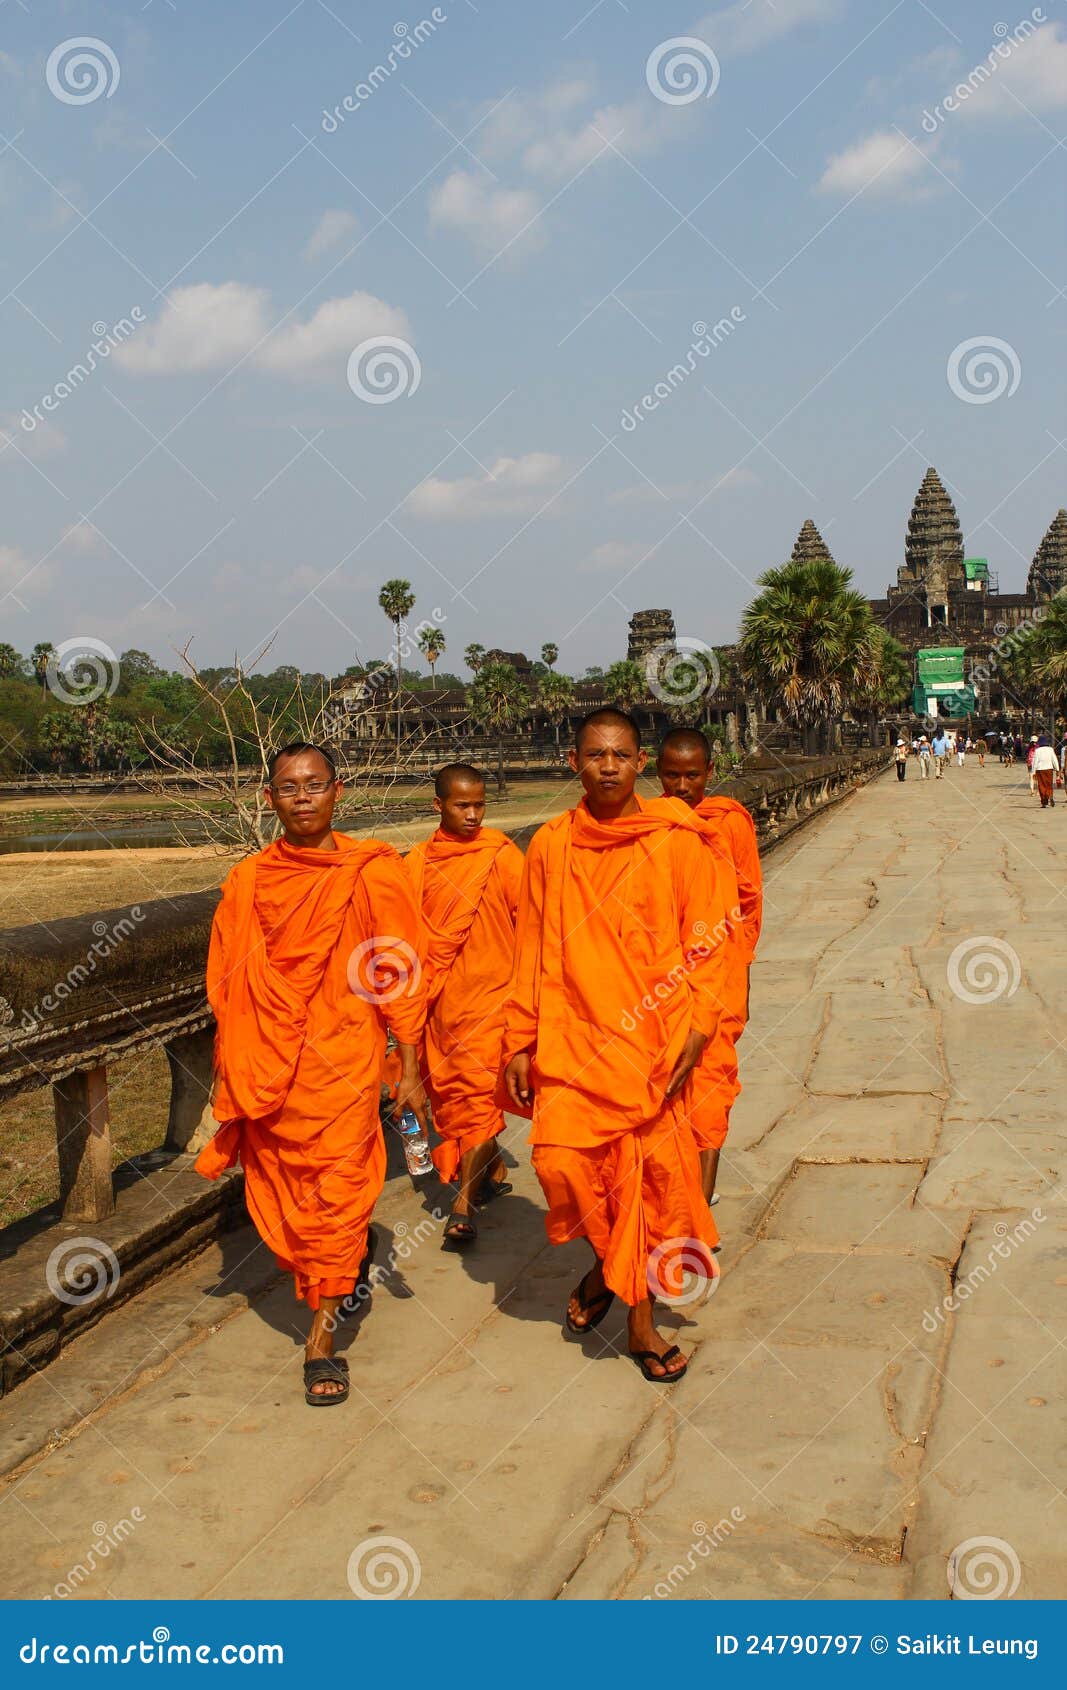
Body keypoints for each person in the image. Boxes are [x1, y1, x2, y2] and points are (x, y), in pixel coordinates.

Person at [503, 708, 731, 1385]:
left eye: (621, 755)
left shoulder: (678, 841)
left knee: (647, 1184)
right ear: (572, 762)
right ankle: (608, 1263)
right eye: (595, 754)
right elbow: (532, 944)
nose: (607, 765)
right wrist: (519, 1037)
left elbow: (709, 938)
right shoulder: (548, 845)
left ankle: (640, 1325)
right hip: (573, 1039)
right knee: (560, 1168)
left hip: (654, 1046)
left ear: (640, 765)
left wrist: (697, 1024)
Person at [195, 743, 428, 1406]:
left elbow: (399, 969)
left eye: (314, 785)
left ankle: (320, 1340)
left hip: (345, 1060)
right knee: (288, 1197)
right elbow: (227, 982)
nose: (303, 798)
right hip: (273, 1069)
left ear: (338, 791)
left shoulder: (369, 870)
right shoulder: (248, 881)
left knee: (339, 1193)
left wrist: (408, 1063)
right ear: (269, 799)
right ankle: (326, 1276)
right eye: (289, 788)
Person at [405, 763, 524, 1246]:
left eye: (479, 805)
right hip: (440, 1010)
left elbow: (533, 923)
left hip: (495, 1003)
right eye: (462, 805)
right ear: (439, 806)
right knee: (453, 1106)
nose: (474, 815)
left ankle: (462, 1206)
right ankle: (490, 1169)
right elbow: (401, 940)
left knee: (477, 1100)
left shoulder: (502, 856)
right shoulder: (416, 865)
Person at [655, 727, 762, 1205]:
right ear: (655, 773)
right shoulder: (649, 823)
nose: (681, 787)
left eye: (692, 776)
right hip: (662, 975)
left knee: (712, 1081)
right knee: (666, 1081)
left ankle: (700, 1201)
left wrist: (742, 968)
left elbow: (749, 899)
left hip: (719, 968)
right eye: (672, 776)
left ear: (710, 774)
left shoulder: (729, 822)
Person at [1032, 734, 1058, 808]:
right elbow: (1054, 759)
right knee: (1049, 784)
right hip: (1049, 769)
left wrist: (1033, 772)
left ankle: (1044, 802)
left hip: (1040, 770)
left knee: (1041, 786)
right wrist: (1057, 769)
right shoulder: (1050, 749)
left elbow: (1035, 762)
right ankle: (1050, 795)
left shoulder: (1037, 751)